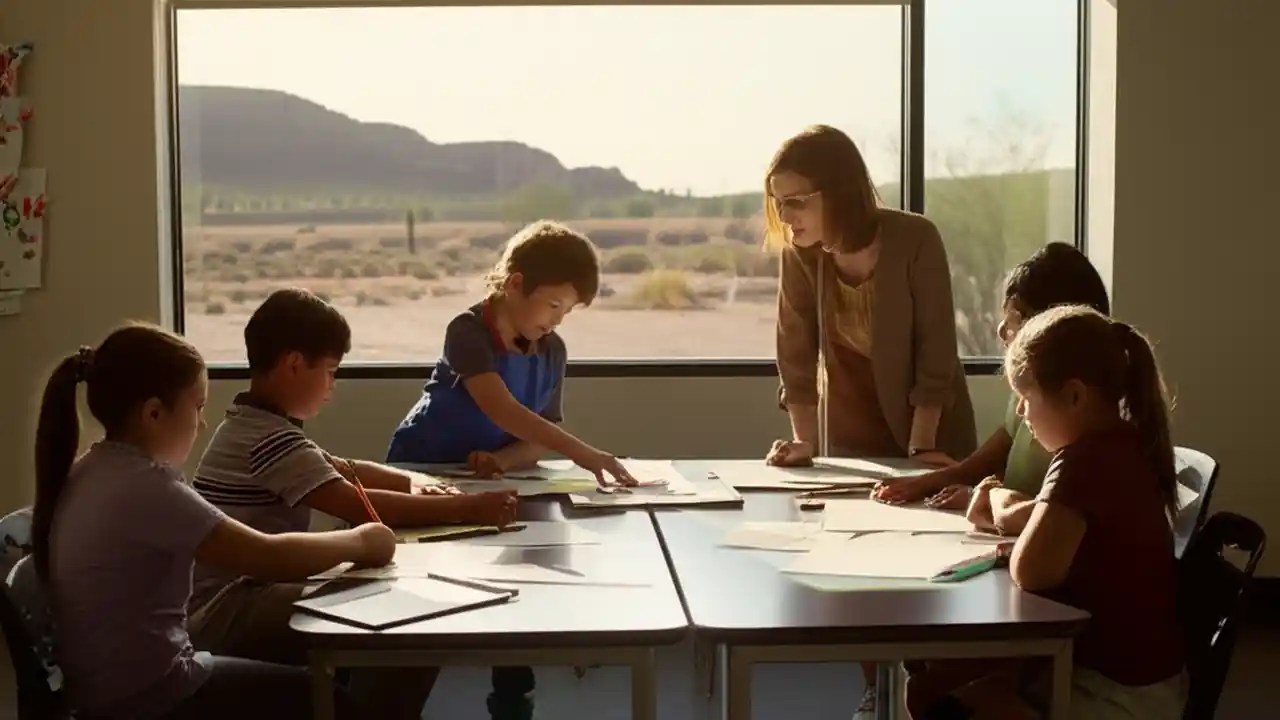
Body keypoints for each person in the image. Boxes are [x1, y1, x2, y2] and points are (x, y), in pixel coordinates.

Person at [36, 324, 393, 720]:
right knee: (335, 701)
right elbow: (267, 555)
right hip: (153, 696)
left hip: (112, 688)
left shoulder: (95, 468)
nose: (202, 424)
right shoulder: (145, 486)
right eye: (198, 407)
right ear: (154, 413)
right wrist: (361, 541)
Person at [189, 289, 512, 719]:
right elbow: (356, 504)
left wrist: (420, 485)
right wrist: (467, 509)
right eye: (331, 372)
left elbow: (344, 468)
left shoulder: (257, 425)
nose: (332, 387)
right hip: (227, 607)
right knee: (412, 617)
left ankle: (354, 700)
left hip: (249, 592)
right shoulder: (266, 438)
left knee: (383, 587)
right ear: (293, 365)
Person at [763, 124, 977, 718]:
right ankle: (874, 688)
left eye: (798, 200)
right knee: (857, 564)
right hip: (854, 416)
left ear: (840, 190)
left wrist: (921, 451)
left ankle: (929, 691)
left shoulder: (914, 238)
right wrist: (807, 442)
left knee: (929, 563)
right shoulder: (803, 256)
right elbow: (795, 350)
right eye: (779, 203)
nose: (788, 215)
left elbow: (937, 349)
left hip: (927, 420)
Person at [385, 220, 637, 719]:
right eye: (553, 305)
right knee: (408, 611)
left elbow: (533, 438)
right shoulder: (468, 331)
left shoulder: (553, 351)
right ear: (515, 283)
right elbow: (501, 409)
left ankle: (512, 703)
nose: (558, 320)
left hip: (491, 484)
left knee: (518, 597)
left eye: (568, 311)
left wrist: (501, 460)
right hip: (422, 476)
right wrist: (587, 455)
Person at [910, 306, 1187, 719]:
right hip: (1150, 686)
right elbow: (1045, 519)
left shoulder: (1083, 461)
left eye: (1026, 397)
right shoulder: (1122, 445)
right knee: (934, 683)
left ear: (1074, 396)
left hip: (1115, 698)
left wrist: (994, 499)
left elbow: (1031, 570)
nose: (1021, 413)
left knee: (936, 700)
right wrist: (1000, 502)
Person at [873, 242, 1110, 537]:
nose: (1001, 330)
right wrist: (923, 483)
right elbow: (980, 466)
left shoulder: (1075, 417)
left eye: (1017, 319)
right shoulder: (1030, 397)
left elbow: (1053, 513)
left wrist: (985, 498)